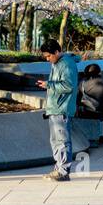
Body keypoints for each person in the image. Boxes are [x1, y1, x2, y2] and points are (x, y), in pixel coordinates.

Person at [35, 39, 79, 182]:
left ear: (57, 52)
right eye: (46, 57)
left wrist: (49, 84)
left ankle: (63, 171)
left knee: (62, 140)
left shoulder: (66, 64)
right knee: (56, 140)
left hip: (62, 107)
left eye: (49, 56)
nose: (48, 59)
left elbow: (69, 86)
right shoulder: (58, 63)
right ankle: (59, 168)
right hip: (55, 107)